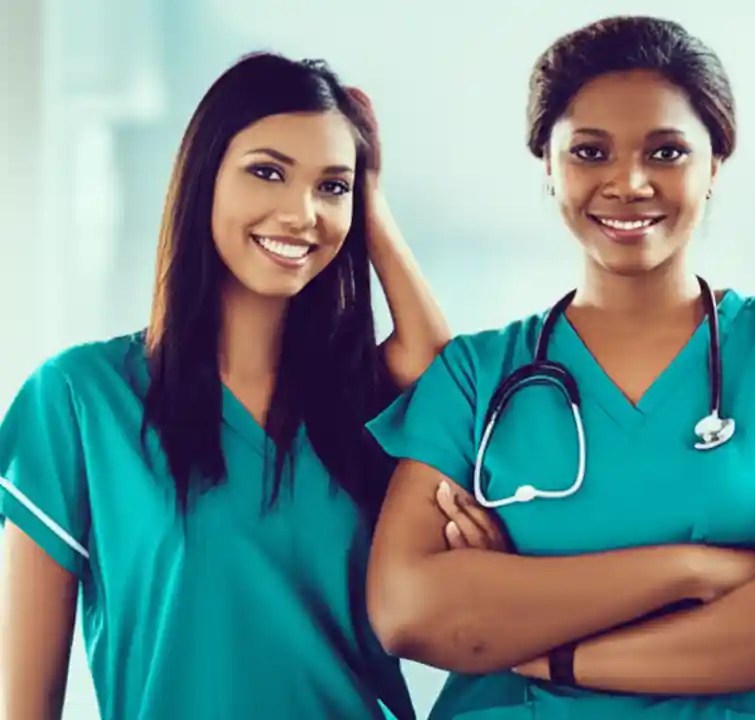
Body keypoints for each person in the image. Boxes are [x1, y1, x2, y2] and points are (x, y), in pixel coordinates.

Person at [363, 14, 755, 720]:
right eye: (590, 152)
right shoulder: (475, 376)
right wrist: (691, 571)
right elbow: (407, 610)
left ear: (715, 163)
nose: (628, 182)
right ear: (548, 166)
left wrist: (543, 640)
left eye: (666, 152)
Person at [0, 53, 450, 719]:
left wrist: (370, 198)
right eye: (267, 172)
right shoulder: (77, 401)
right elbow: (24, 705)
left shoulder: (356, 405)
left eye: (331, 187)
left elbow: (433, 360)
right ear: (204, 177)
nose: (301, 213)